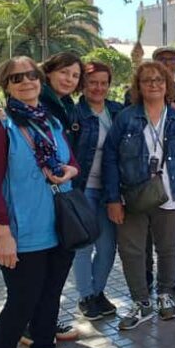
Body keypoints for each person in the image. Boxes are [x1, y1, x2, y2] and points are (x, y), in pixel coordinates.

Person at [0, 57, 78, 348]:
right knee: (22, 301)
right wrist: (2, 234)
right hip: (21, 233)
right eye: (16, 78)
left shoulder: (50, 121)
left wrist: (68, 172)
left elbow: (72, 161)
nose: (27, 81)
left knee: (50, 297)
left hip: (59, 227)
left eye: (31, 75)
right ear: (6, 85)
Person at [103, 61, 175, 330]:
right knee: (132, 250)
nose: (154, 84)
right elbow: (110, 158)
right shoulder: (126, 117)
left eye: (159, 79)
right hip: (133, 196)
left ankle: (164, 295)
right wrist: (113, 198)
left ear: (168, 84)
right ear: (138, 86)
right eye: (147, 80)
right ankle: (141, 302)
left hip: (171, 195)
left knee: (169, 248)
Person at [71, 61, 123, 321]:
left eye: (104, 83)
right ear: (83, 84)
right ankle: (86, 296)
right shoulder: (74, 113)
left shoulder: (117, 111)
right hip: (82, 190)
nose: (98, 88)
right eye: (93, 82)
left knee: (107, 246)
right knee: (84, 245)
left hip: (110, 191)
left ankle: (98, 291)